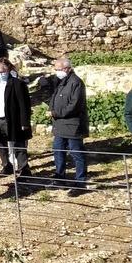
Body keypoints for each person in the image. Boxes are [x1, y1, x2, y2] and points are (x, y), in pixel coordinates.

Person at [0, 58, 34, 188]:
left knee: (19, 143)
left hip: (13, 120)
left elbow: (24, 104)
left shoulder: (17, 84)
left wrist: (25, 122)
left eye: (2, 72)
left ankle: (24, 169)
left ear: (7, 71)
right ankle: (6, 165)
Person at [47, 58, 88, 195]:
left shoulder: (76, 83)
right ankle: (60, 178)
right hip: (59, 124)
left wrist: (55, 112)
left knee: (77, 154)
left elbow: (74, 105)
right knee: (58, 151)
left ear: (67, 68)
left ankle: (80, 182)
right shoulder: (61, 81)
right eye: (56, 69)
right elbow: (54, 98)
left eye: (59, 69)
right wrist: (51, 109)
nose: (57, 72)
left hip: (73, 125)